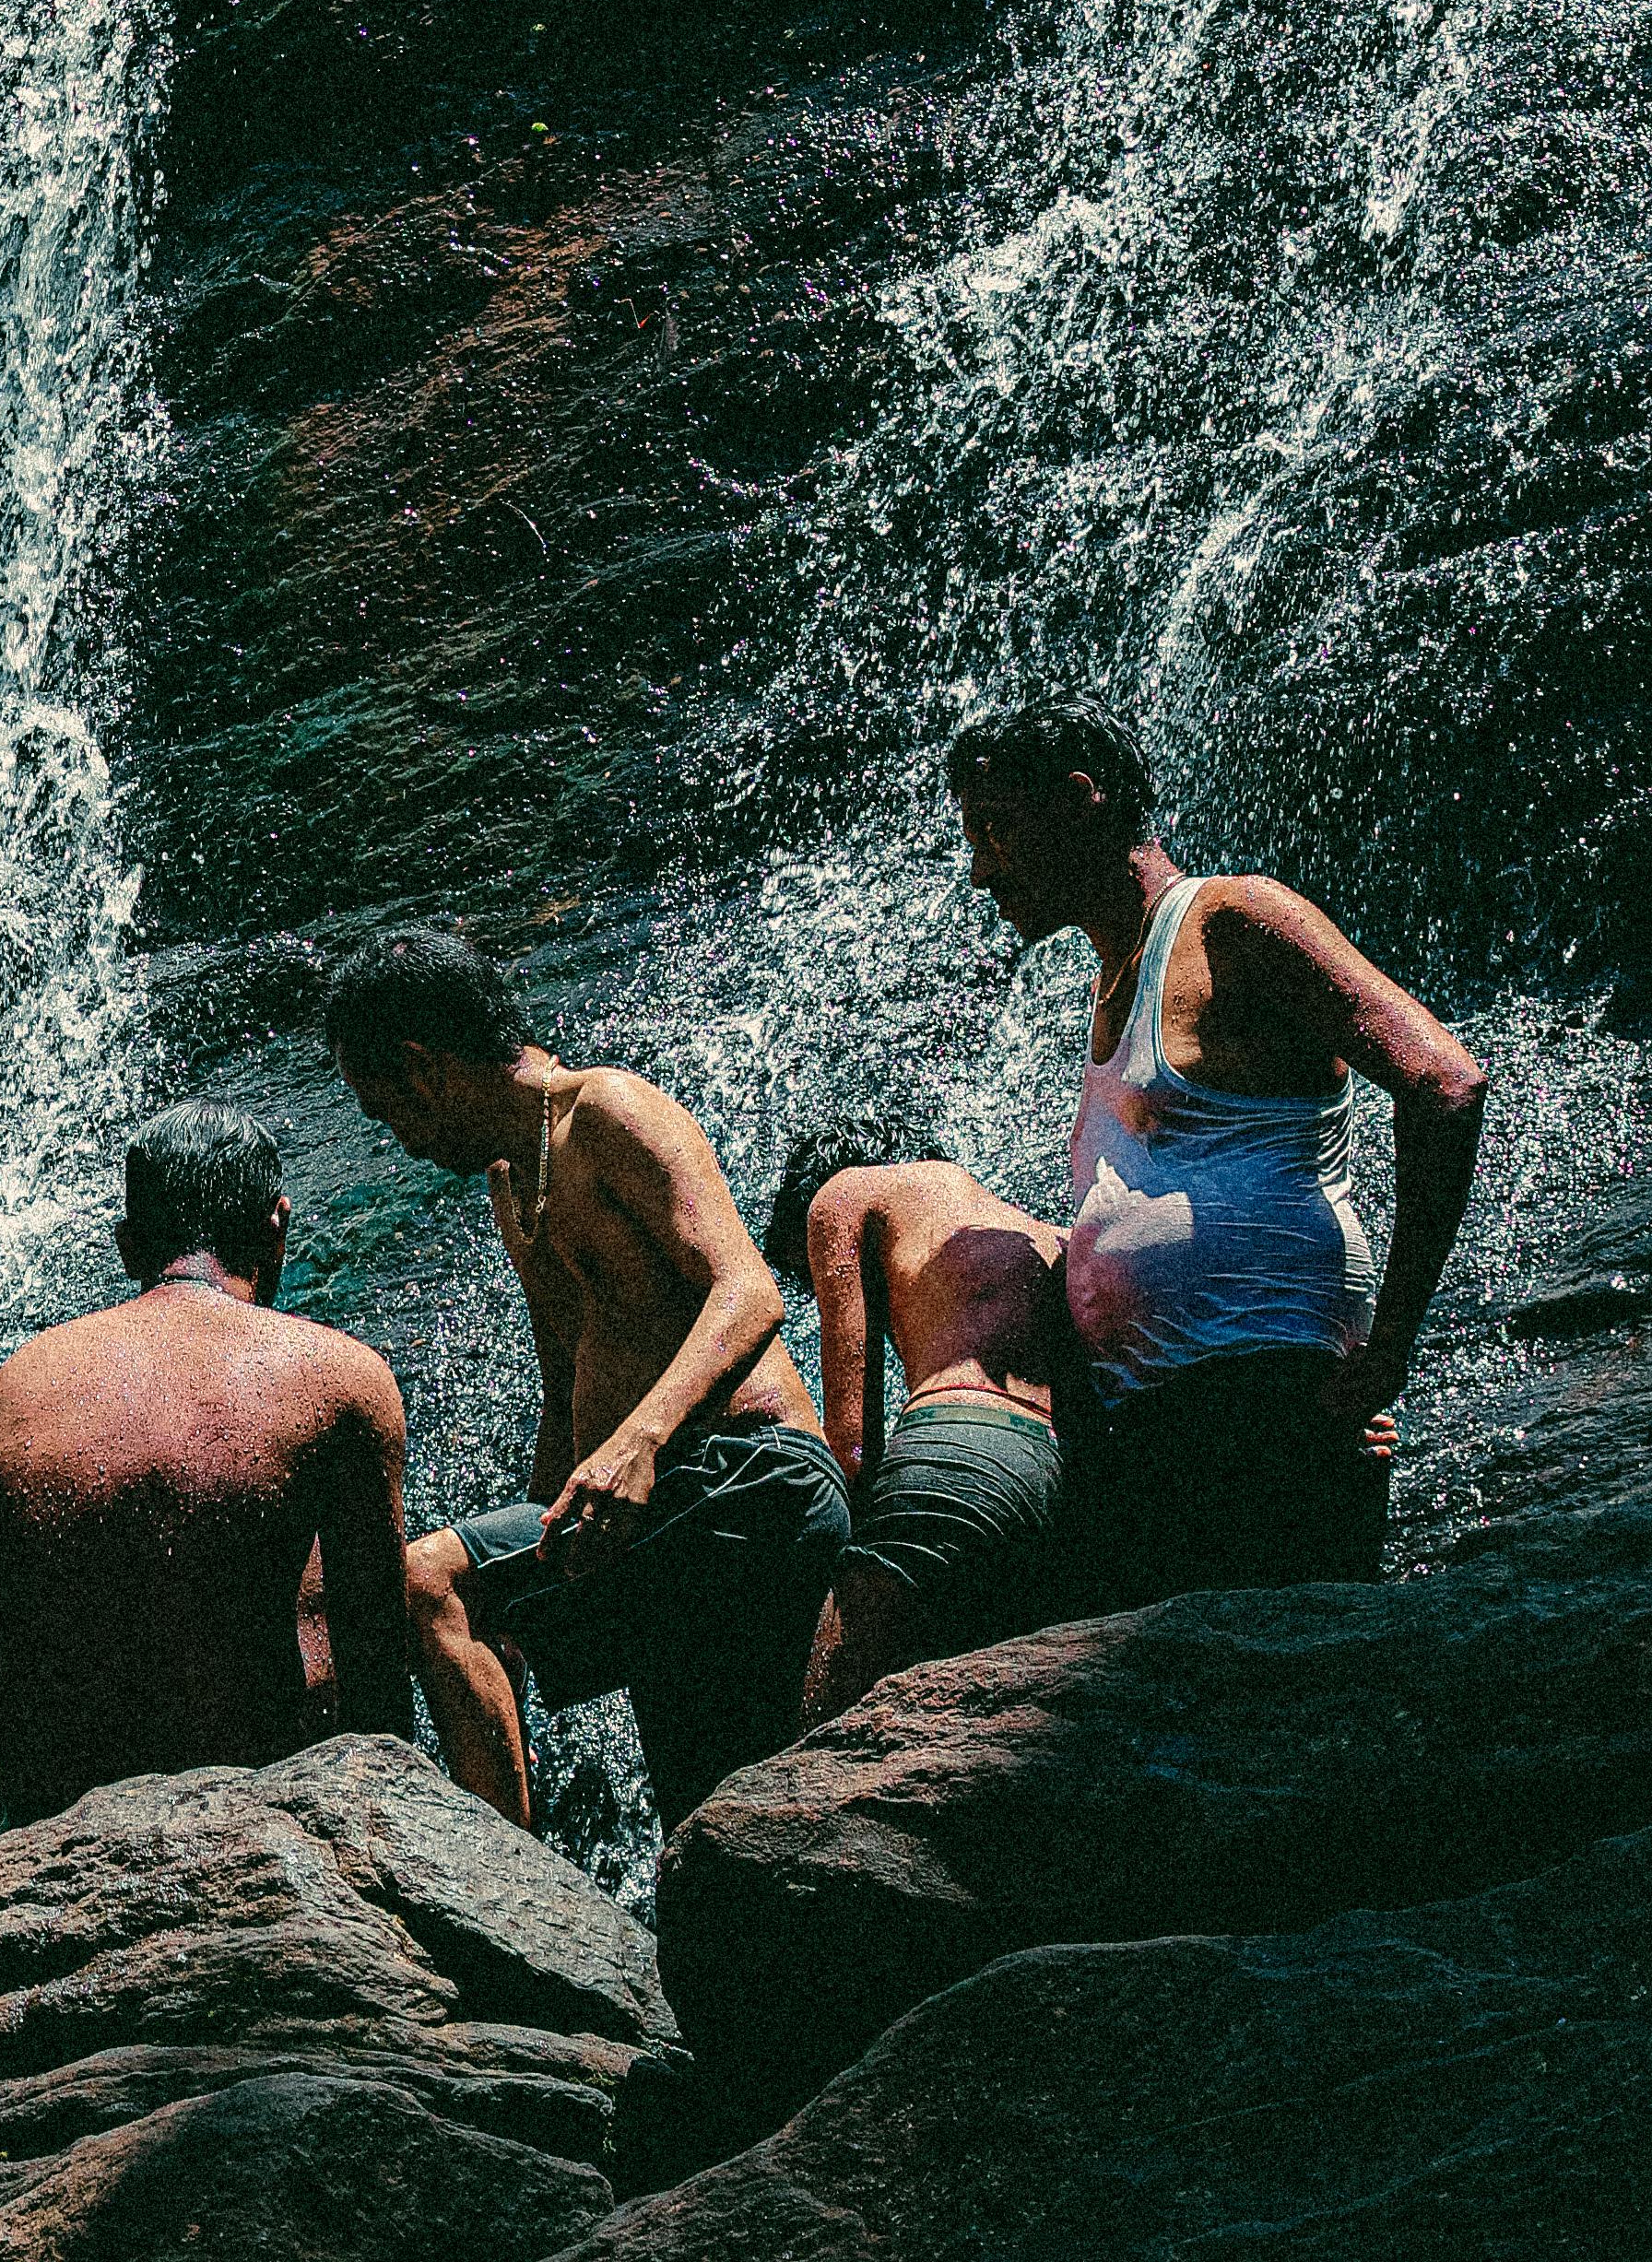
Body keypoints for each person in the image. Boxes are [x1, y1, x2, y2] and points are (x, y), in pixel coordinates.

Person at [949, 698, 1490, 1599]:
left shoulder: (1232, 919)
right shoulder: (1105, 982)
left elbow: (1444, 1085)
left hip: (1259, 1400)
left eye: (996, 830)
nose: (978, 873)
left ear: (1081, 799)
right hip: (1159, 1418)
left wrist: (1386, 1351)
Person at [325, 931, 849, 1844]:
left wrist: (636, 1447)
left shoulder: (606, 1109)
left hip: (744, 1478)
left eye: (386, 1113)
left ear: (422, 1067)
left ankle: (507, 1900)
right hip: (649, 1517)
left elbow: (748, 1289)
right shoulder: (508, 1183)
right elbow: (565, 1383)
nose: (398, 1143)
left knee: (424, 1581)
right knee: (704, 1813)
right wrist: (531, 1571)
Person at [0, 1102, 413, 1824]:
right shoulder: (338, 1378)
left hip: (71, 1842)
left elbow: (17, 1678)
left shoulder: (18, 1390)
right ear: (277, 1225)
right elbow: (377, 1675)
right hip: (277, 1823)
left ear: (125, 1246)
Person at [767, 1139, 1072, 1712]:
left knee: (825, 1726)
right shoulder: (1045, 1237)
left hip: (955, 1453)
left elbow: (852, 1447)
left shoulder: (848, 1193)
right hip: (1057, 1485)